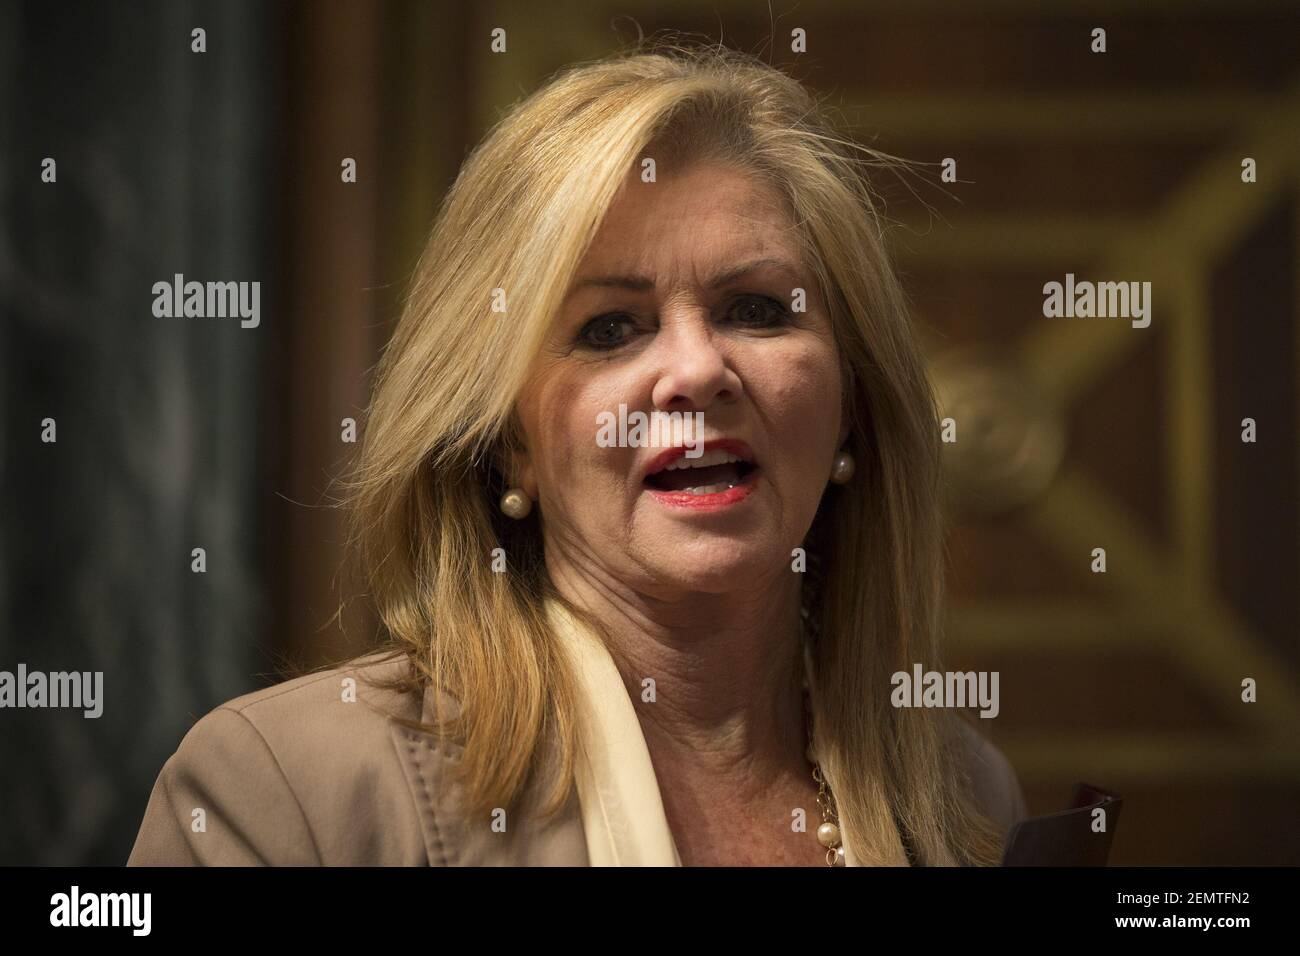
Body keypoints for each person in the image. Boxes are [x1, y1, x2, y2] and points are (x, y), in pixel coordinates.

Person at [128, 41, 1028, 867]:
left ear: (849, 410)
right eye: (609, 328)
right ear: (510, 445)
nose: (696, 370)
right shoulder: (288, 792)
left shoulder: (966, 792)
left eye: (755, 309)